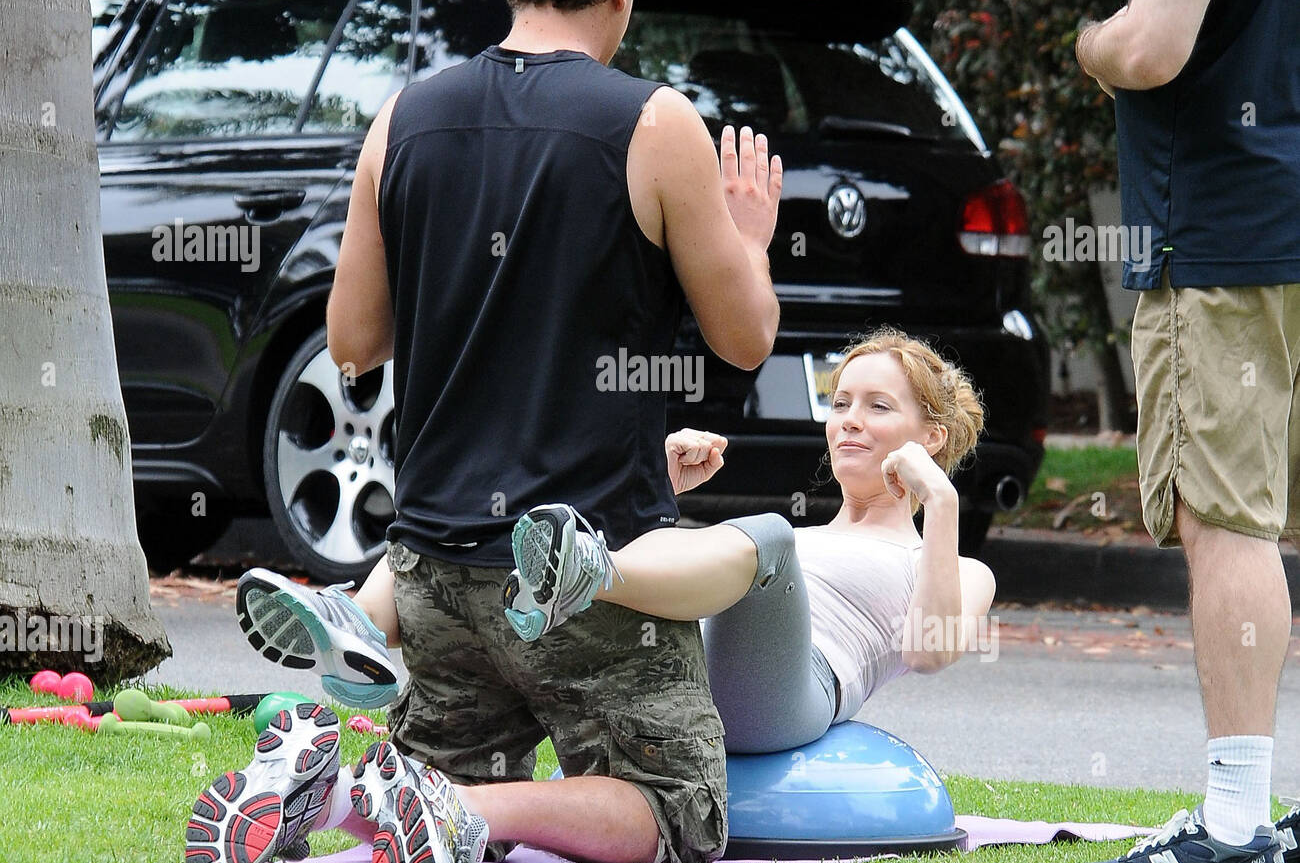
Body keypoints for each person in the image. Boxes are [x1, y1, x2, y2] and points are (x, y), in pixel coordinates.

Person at [185, 0, 783, 863]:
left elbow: (353, 341)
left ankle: (314, 789)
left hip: (429, 575)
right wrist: (748, 239)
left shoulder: (404, 116)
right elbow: (744, 340)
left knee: (414, 780)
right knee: (678, 811)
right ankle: (459, 805)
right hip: (584, 571)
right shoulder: (651, 123)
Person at [236, 330, 998, 768]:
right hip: (679, 667)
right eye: (838, 404)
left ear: (932, 436)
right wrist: (656, 488)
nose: (848, 422)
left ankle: (584, 575)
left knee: (763, 539)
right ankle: (362, 622)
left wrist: (944, 504)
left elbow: (931, 650)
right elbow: (680, 585)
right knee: (496, 483)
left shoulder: (960, 564)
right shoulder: (803, 538)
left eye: (877, 406)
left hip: (787, 699)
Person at [1068, 0, 1300, 863]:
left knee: (1227, 518)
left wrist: (1091, 42)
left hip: (1224, 233)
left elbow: (1154, 46)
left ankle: (1233, 819)